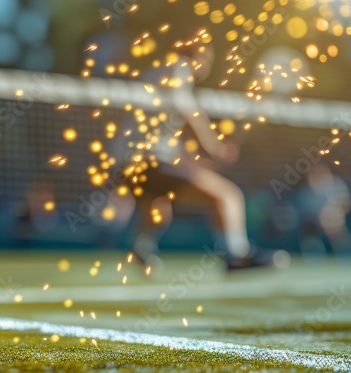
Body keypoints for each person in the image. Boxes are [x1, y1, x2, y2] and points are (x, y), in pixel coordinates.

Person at [107, 44, 269, 272]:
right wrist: (215, 147)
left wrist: (192, 162)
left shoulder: (156, 74)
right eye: (207, 60)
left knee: (159, 211)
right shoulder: (178, 67)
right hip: (146, 163)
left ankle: (141, 248)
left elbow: (162, 137)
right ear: (197, 56)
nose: (207, 68)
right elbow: (190, 112)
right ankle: (236, 255)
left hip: (127, 165)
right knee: (226, 195)